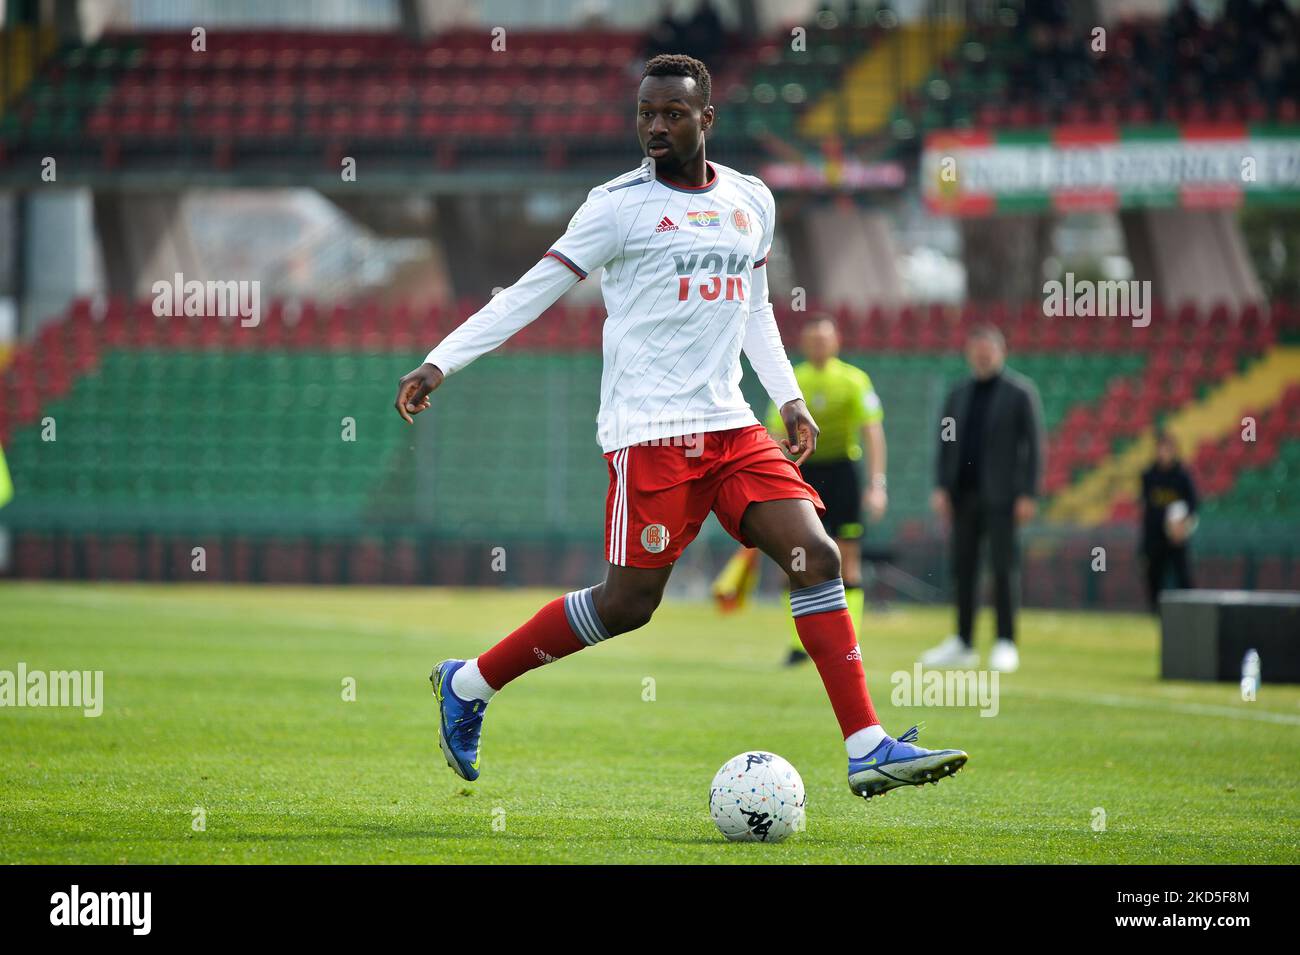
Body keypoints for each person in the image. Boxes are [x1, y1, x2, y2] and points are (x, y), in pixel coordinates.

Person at [393, 54, 966, 801]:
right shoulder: (615, 206)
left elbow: (754, 304)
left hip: (730, 426)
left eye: (671, 113)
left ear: (707, 118)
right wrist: (440, 361)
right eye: (646, 114)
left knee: (817, 557)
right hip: (649, 432)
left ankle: (865, 747)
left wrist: (788, 396)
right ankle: (469, 682)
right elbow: (528, 293)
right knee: (628, 604)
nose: (656, 126)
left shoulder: (752, 199)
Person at [711, 317, 888, 667]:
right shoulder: (794, 380)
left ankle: (850, 642)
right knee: (793, 560)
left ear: (836, 341)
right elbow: (773, 431)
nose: (819, 345)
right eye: (813, 339)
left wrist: (877, 484)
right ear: (805, 344)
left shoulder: (854, 379)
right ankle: (799, 645)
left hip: (842, 473)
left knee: (847, 560)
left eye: (825, 338)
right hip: (802, 471)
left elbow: (872, 431)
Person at [922, 325, 1044, 673]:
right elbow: (945, 443)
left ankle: (1005, 641)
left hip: (1004, 497)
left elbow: (1034, 446)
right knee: (964, 568)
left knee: (1004, 568)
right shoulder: (958, 393)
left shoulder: (1020, 393)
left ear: (1001, 352)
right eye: (977, 350)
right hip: (964, 495)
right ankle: (963, 641)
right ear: (969, 353)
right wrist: (942, 486)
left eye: (988, 350)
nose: (983, 356)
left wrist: (1028, 493)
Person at [1140, 429, 1198, 611]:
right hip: (1155, 536)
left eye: (1167, 449)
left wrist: (1181, 526)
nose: (1163, 453)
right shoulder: (1149, 475)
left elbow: (1192, 504)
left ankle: (1188, 612)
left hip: (1176, 538)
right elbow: (1148, 508)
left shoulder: (1182, 477)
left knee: (1182, 576)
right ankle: (1155, 612)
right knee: (1154, 576)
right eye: (1161, 449)